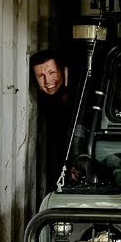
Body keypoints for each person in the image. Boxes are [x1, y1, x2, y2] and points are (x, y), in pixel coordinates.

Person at [30, 50, 81, 186]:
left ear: (65, 72)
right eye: (41, 76)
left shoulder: (79, 96)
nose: (47, 81)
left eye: (52, 73)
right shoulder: (46, 102)